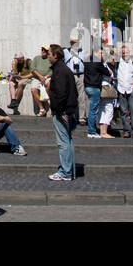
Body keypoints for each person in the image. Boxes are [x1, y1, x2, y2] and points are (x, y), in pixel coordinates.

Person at [46, 44, 79, 181]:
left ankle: (66, 172)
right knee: (68, 141)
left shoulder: (59, 71)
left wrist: (58, 111)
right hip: (69, 110)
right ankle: (70, 170)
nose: (48, 56)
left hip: (62, 111)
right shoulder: (65, 70)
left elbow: (60, 94)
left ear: (56, 55)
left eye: (49, 54)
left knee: (63, 142)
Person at [115, 46, 133, 139]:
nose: (125, 54)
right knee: (124, 111)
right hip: (121, 89)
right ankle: (127, 130)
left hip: (131, 89)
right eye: (123, 53)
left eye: (126, 52)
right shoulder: (118, 63)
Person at [82, 50, 106, 138]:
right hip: (94, 87)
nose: (102, 55)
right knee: (93, 110)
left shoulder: (87, 61)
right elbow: (107, 72)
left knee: (91, 109)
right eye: (100, 53)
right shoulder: (98, 62)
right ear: (95, 53)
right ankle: (91, 131)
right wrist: (103, 62)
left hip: (87, 86)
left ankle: (92, 129)